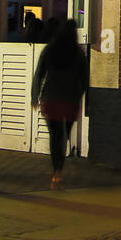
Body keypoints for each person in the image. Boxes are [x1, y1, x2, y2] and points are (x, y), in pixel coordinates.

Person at [31, 19, 89, 190]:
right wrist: (85, 99)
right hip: (70, 100)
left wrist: (35, 96)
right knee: (64, 135)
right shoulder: (78, 54)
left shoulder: (49, 50)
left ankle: (56, 170)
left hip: (51, 99)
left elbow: (39, 74)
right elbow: (85, 79)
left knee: (55, 136)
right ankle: (59, 170)